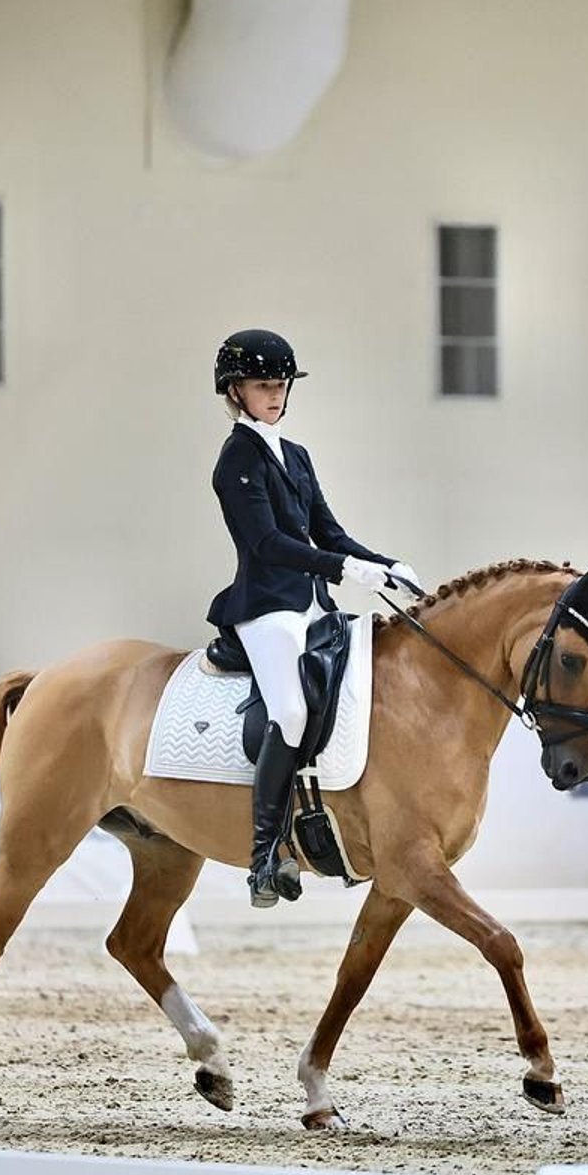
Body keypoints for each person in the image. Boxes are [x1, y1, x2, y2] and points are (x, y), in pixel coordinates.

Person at [205, 328, 422, 908]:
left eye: (280, 385)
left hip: (312, 605)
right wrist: (347, 568)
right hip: (266, 609)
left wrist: (385, 564)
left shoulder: (295, 455)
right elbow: (270, 543)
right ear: (236, 391)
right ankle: (262, 857)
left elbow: (328, 532)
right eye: (262, 385)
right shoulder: (236, 462)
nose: (274, 395)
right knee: (293, 712)